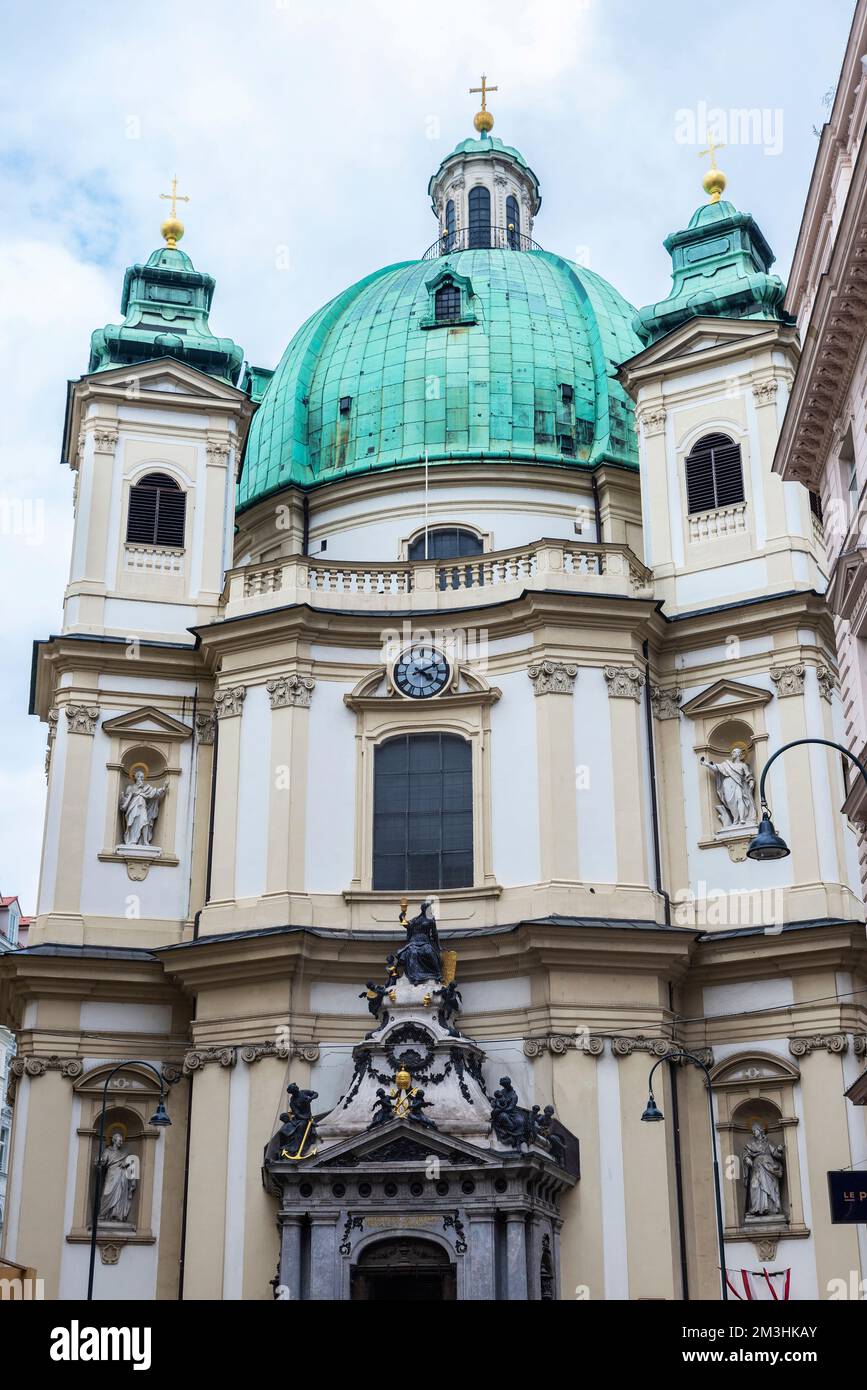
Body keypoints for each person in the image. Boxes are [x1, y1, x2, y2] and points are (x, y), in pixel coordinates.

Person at [95, 1131, 137, 1223]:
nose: (121, 1142)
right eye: (119, 1140)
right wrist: (99, 1160)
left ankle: (116, 1215)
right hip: (111, 1175)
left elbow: (132, 1163)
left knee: (120, 1195)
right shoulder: (107, 1151)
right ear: (114, 1140)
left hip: (121, 1176)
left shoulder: (124, 1153)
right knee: (106, 1193)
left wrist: (126, 1163)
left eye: (122, 1141)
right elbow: (103, 1162)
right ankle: (104, 1214)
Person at [119, 768, 167, 847]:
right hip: (133, 808)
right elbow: (126, 800)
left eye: (142, 777)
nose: (141, 779)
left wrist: (163, 788)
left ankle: (145, 841)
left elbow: (155, 792)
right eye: (139, 777)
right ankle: (133, 840)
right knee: (134, 822)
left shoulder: (146, 788)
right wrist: (132, 794)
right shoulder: (130, 788)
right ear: (135, 778)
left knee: (144, 822)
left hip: (142, 808)